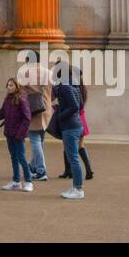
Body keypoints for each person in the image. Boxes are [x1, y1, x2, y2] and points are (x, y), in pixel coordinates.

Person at [0, 78, 33, 192]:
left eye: (11, 85)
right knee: (14, 158)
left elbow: (27, 118)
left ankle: (28, 181)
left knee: (21, 157)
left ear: (17, 87)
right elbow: (0, 114)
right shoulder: (7, 99)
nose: (8, 87)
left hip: (18, 135)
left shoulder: (22, 99)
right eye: (8, 85)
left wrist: (20, 134)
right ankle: (16, 182)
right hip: (9, 134)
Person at [20, 49, 53, 183]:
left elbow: (20, 92)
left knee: (34, 140)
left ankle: (41, 171)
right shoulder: (48, 72)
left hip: (32, 109)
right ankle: (33, 167)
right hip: (46, 108)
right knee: (40, 140)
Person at [53, 69, 86, 200]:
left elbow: (74, 106)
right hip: (76, 124)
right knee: (74, 158)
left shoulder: (64, 87)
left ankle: (78, 188)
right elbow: (80, 105)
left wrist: (60, 115)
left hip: (70, 126)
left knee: (73, 159)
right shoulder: (75, 86)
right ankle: (76, 187)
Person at [59, 77, 95, 181]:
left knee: (72, 146)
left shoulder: (72, 87)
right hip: (80, 117)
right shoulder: (80, 87)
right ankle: (71, 170)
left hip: (75, 119)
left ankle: (77, 171)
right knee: (75, 146)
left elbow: (76, 105)